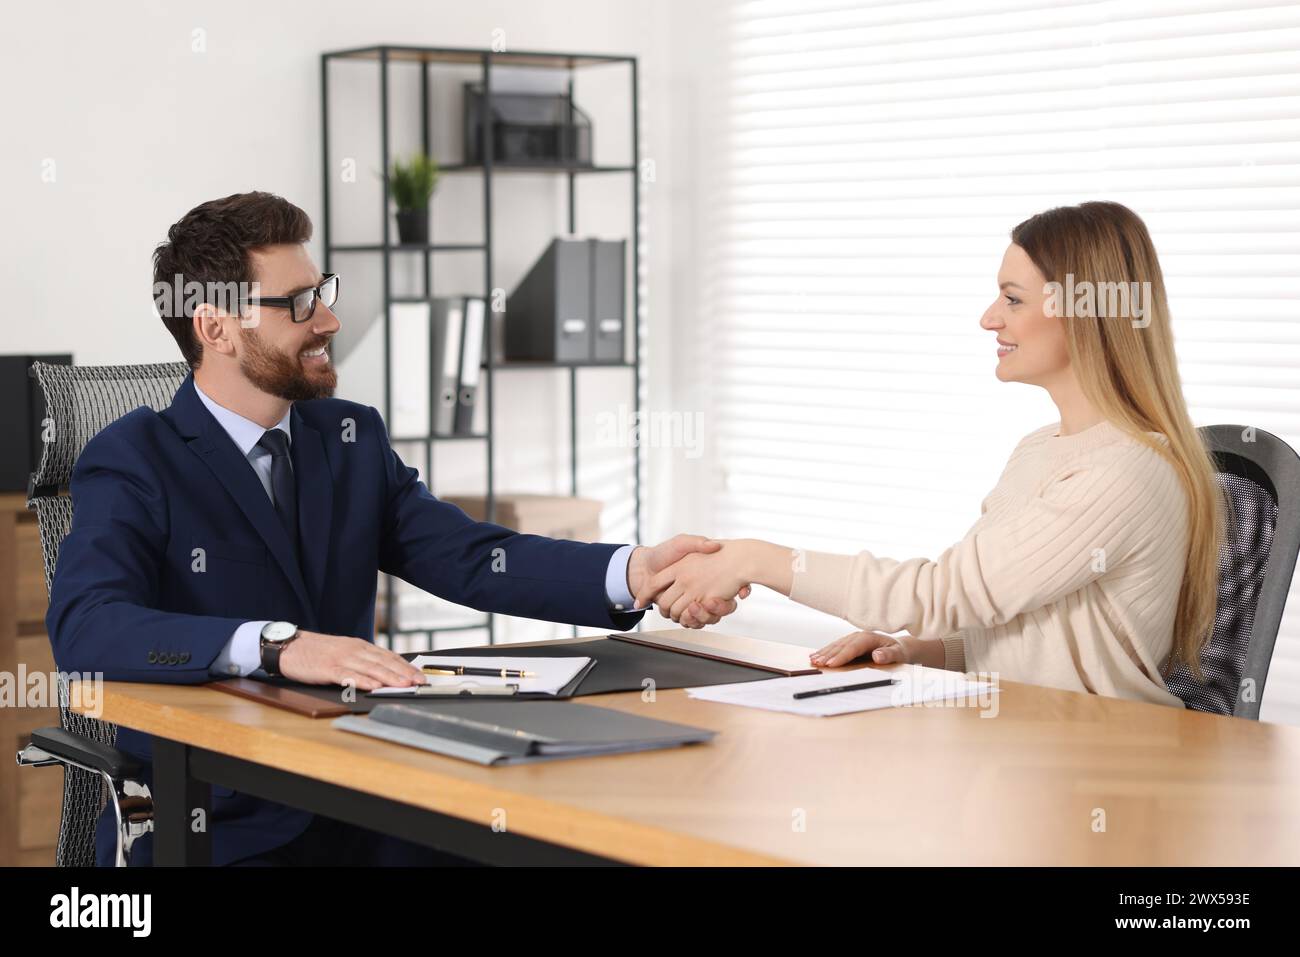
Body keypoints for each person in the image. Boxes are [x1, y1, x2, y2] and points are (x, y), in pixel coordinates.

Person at [45, 191, 740, 865]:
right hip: (226, 825)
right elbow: (87, 625)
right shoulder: (136, 457)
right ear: (216, 327)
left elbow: (468, 556)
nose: (328, 320)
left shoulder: (348, 436)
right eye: (298, 303)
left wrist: (633, 572)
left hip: (368, 791)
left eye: (324, 292)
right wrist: (276, 645)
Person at [639, 201, 1224, 708]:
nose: (989, 318)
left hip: (1092, 761)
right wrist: (927, 650)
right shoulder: (1040, 450)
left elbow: (947, 592)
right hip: (1022, 743)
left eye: (1012, 299)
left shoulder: (1124, 470)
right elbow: (1014, 616)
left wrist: (755, 559)